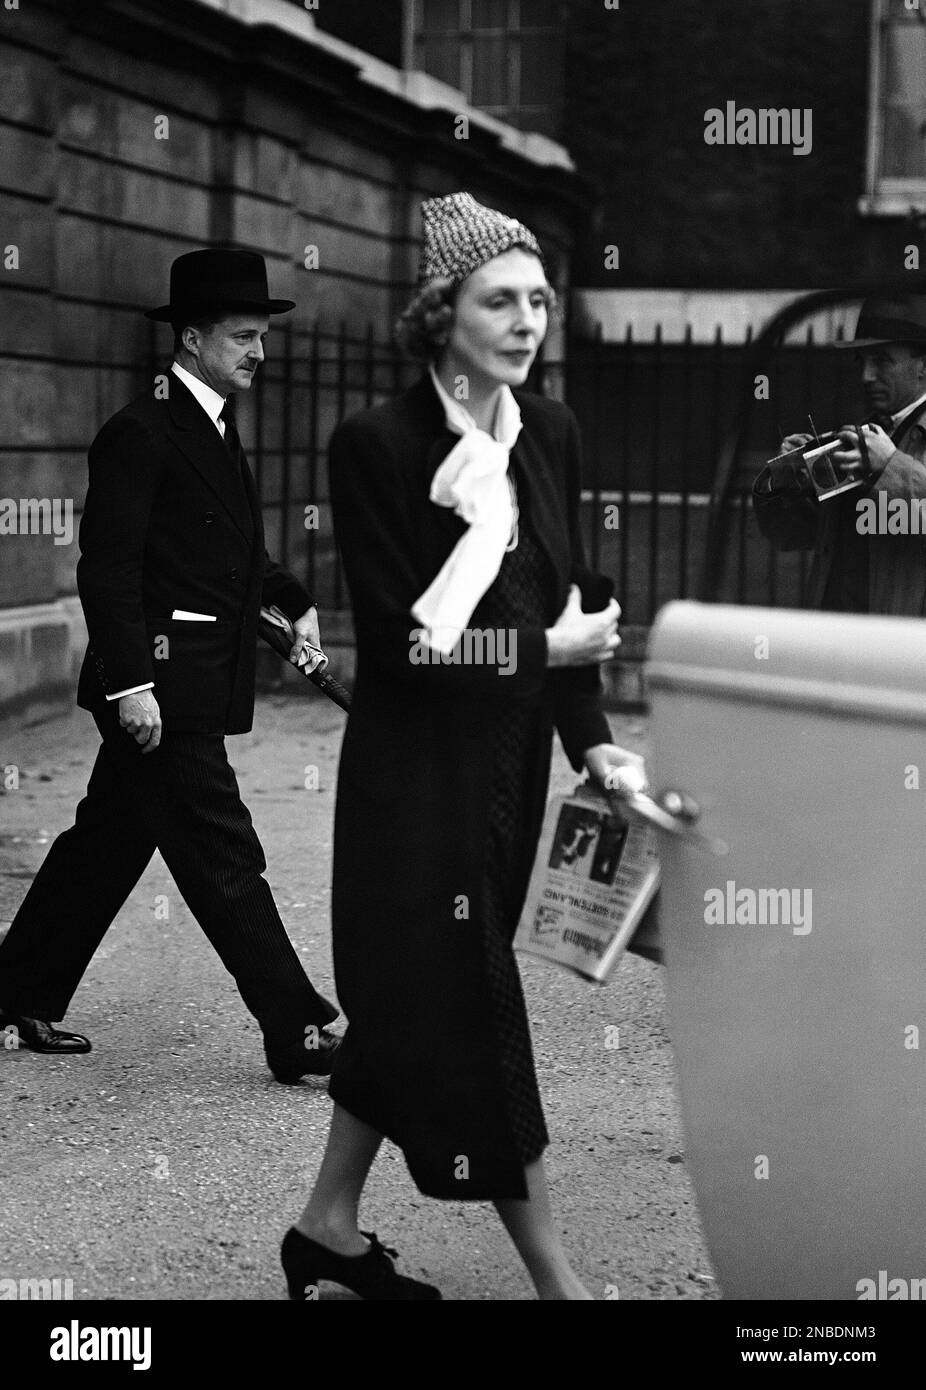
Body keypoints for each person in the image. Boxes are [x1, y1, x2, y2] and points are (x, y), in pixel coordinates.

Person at [280, 192, 643, 1301]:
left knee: (409, 1005)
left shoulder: (548, 433)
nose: (527, 320)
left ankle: (325, 1230)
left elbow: (569, 599)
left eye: (539, 299)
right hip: (412, 791)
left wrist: (595, 745)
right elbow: (400, 647)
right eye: (499, 300)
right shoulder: (377, 446)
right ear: (441, 312)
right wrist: (546, 647)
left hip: (506, 778)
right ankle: (558, 1281)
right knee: (475, 1011)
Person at [0, 249, 340, 1084]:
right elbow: (108, 567)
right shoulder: (142, 430)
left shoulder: (215, 421)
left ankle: (13, 994)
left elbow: (230, 553)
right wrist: (131, 684)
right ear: (191, 338)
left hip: (193, 677)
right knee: (225, 855)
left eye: (261, 335)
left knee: (106, 843)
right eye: (241, 337)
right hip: (162, 688)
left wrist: (292, 602)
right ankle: (296, 1028)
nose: (259, 351)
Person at [753, 294, 926, 614]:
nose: (866, 376)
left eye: (881, 360)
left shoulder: (877, 447)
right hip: (835, 630)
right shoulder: (860, 438)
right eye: (862, 361)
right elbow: (791, 535)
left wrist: (890, 467)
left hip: (901, 638)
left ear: (923, 366)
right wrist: (784, 480)